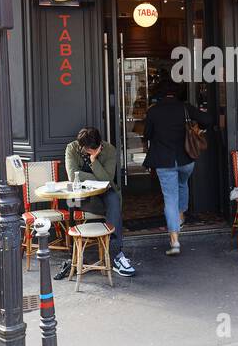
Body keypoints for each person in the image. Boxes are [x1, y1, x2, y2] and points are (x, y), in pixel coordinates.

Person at [142, 82, 213, 256]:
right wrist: (198, 128)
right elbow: (208, 120)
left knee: (170, 199)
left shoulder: (153, 111)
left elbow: (147, 135)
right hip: (186, 160)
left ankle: (175, 241)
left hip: (164, 162)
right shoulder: (185, 108)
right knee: (183, 184)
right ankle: (180, 216)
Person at [64, 127, 133, 277]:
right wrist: (98, 178)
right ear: (80, 145)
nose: (91, 152)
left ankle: (116, 255)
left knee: (113, 199)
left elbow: (108, 180)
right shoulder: (71, 149)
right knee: (113, 209)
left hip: (103, 194)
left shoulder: (109, 150)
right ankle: (116, 257)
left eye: (94, 150)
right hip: (79, 198)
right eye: (88, 150)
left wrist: (94, 161)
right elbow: (72, 176)